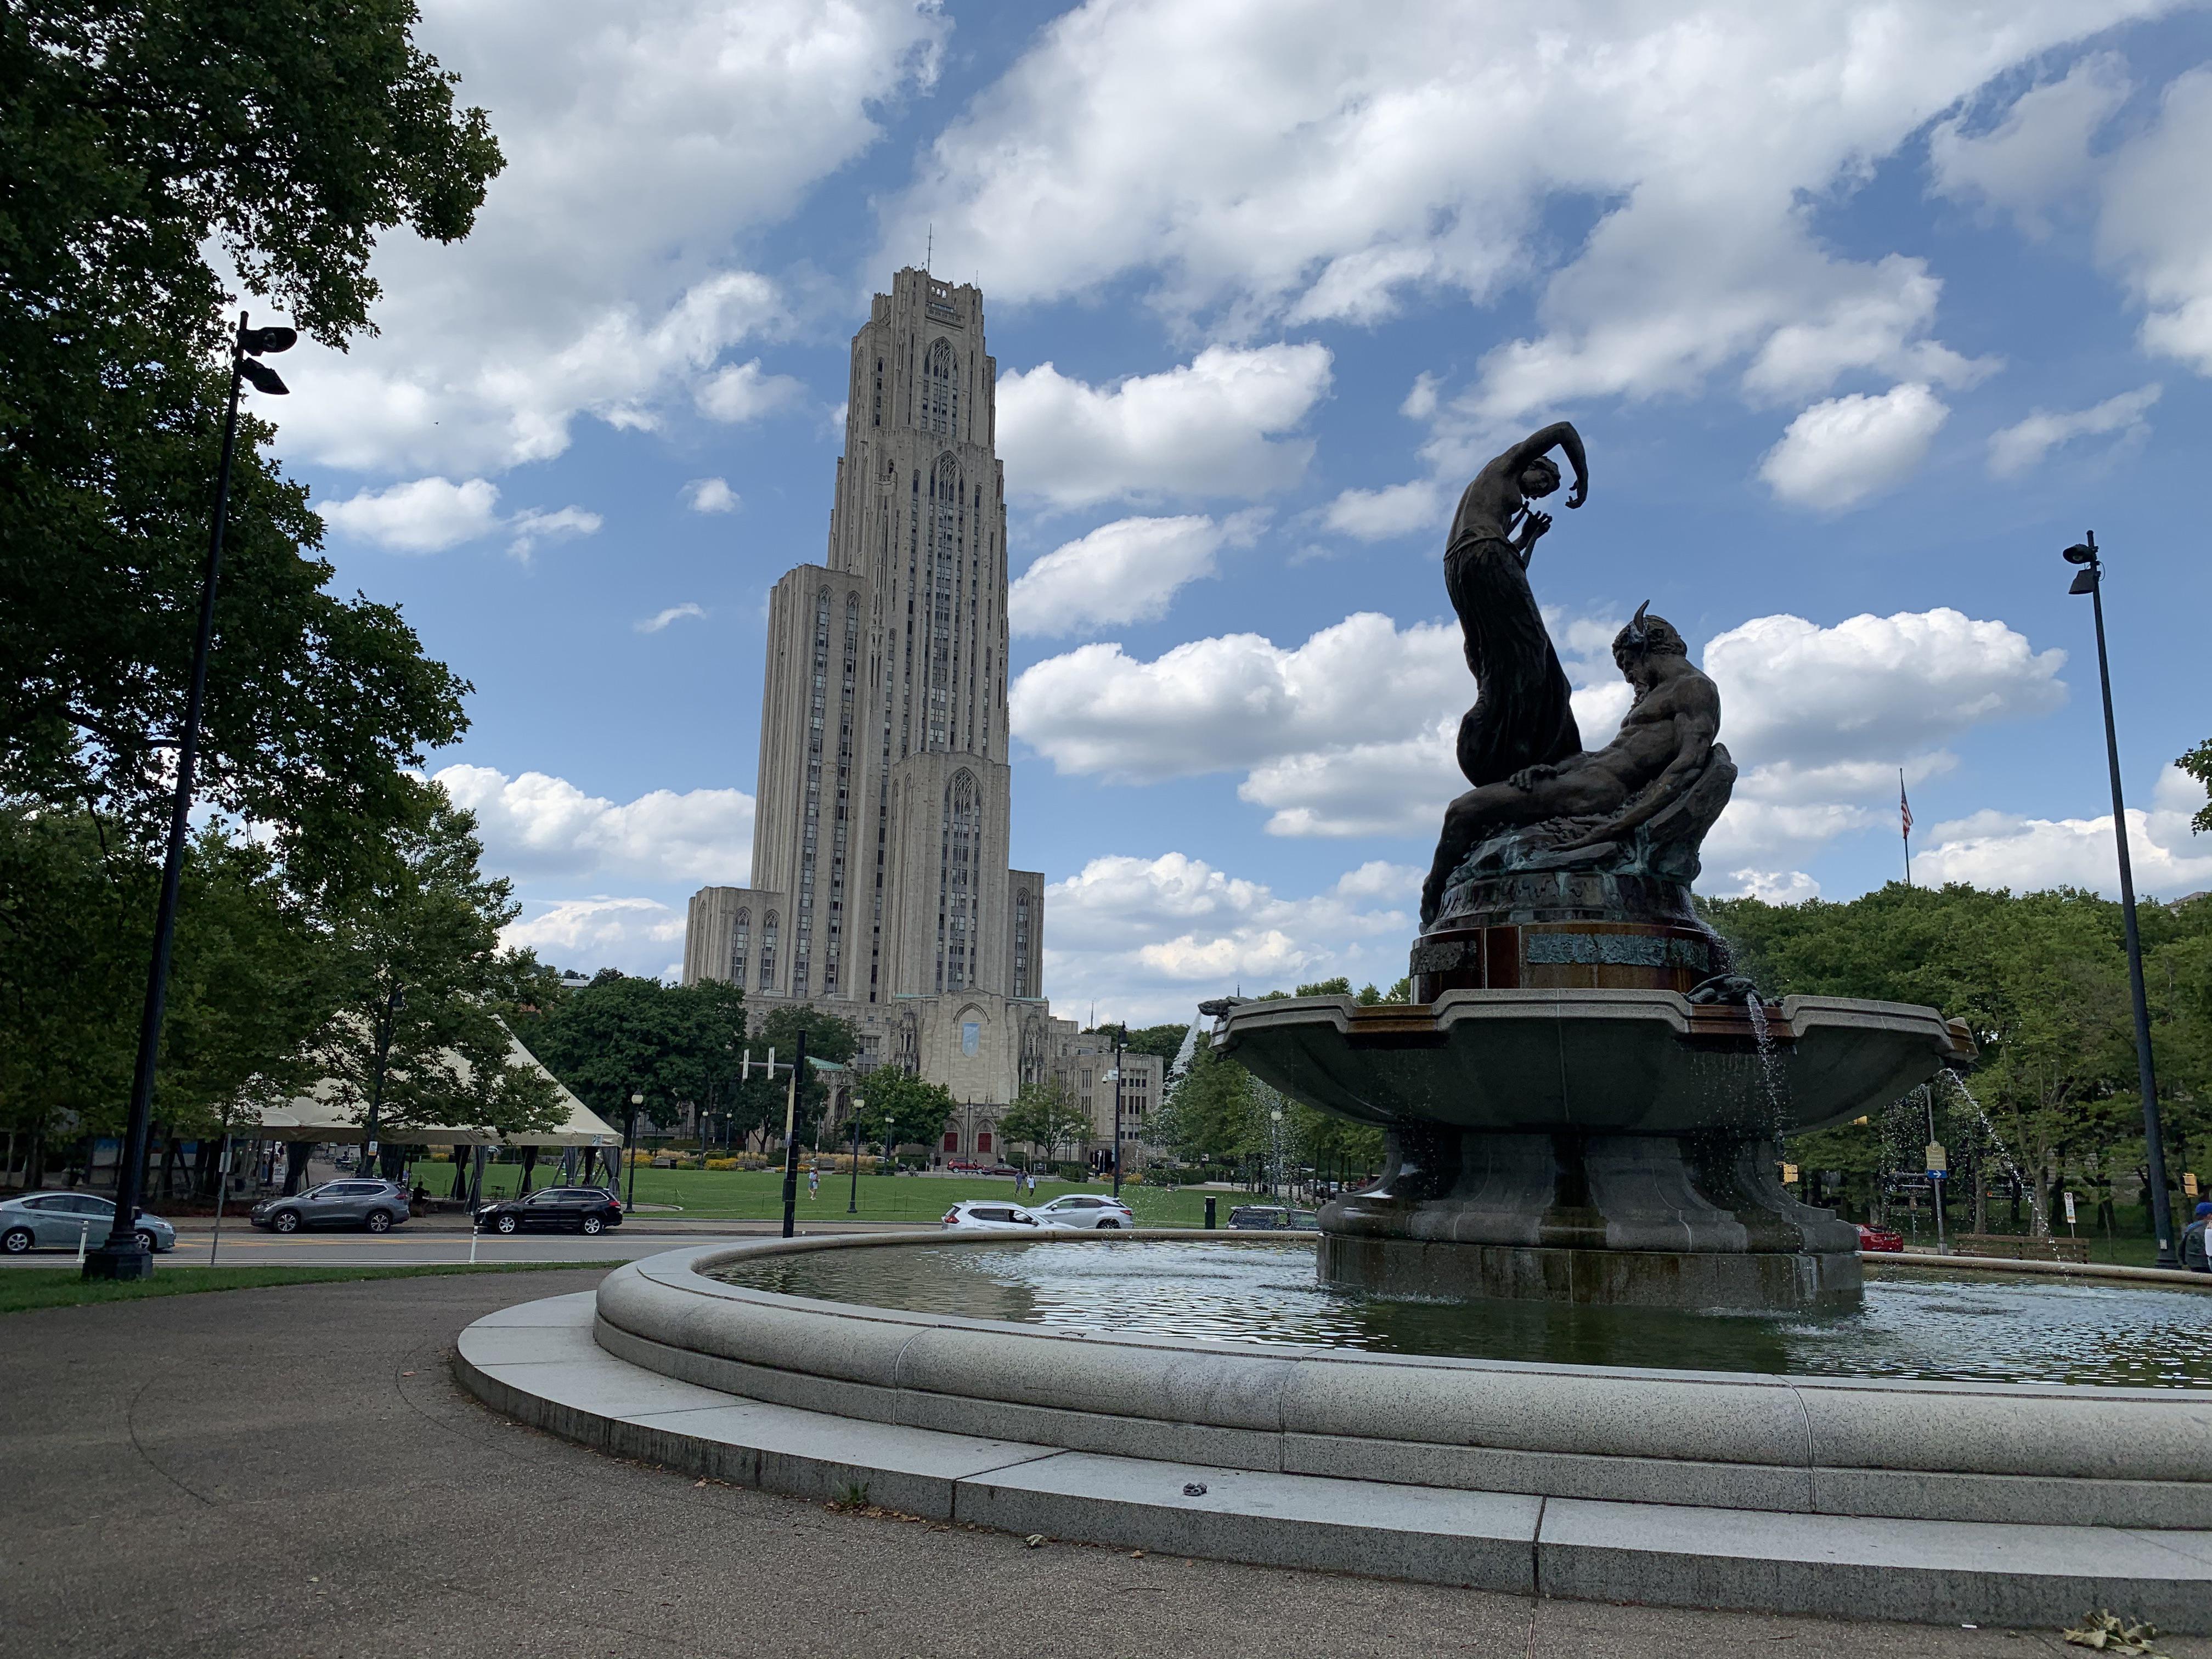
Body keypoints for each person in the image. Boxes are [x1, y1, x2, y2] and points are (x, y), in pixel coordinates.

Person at [1421, 606, 1720, 926]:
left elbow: (1687, 766)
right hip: (1585, 780)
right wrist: (1555, 768)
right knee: (1474, 811)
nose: (1628, 675)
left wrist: (1619, 825)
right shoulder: (1658, 695)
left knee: (1463, 810)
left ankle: (1433, 895)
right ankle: (1443, 899)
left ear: (1644, 647)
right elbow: (1612, 754)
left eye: (1627, 663)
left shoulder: (1694, 688)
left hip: (1598, 793)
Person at [1441, 421, 1589, 791]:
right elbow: (1564, 430)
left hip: (1462, 566)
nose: (1541, 493)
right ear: (1533, 465)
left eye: (1548, 491)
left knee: (1496, 657)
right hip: (1485, 555)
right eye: (1546, 481)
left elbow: (1510, 565)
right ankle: (1533, 754)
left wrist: (1528, 538)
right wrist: (1582, 478)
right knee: (1532, 650)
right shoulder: (1504, 467)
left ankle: (1494, 732)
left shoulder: (1489, 508)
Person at [2184, 1200, 2211, 1273]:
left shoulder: (2190, 1229)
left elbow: (2182, 1248)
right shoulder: (2209, 1229)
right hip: (2207, 1266)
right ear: (2209, 1216)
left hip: (2193, 1265)